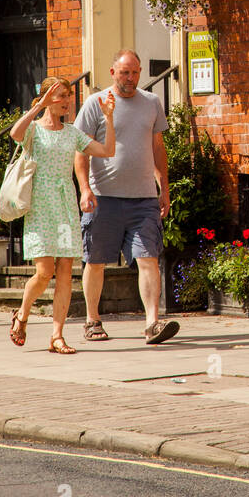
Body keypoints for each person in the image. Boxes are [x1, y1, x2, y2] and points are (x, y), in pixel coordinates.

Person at [74, 48, 178, 346]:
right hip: (103, 198)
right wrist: (84, 188)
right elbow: (80, 151)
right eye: (124, 72)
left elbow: (158, 146)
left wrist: (164, 185)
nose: (130, 78)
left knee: (148, 258)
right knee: (95, 261)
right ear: (112, 73)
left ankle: (152, 324)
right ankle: (93, 320)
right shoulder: (96, 104)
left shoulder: (151, 103)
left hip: (143, 198)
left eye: (134, 72)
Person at [8, 77, 116, 354]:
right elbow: (15, 135)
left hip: (66, 205)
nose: (67, 101)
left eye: (68, 95)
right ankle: (22, 314)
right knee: (44, 272)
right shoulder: (34, 129)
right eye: (61, 96)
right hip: (40, 205)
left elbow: (107, 151)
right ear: (47, 99)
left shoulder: (72, 132)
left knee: (66, 271)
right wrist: (38, 107)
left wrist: (109, 119)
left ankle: (57, 336)